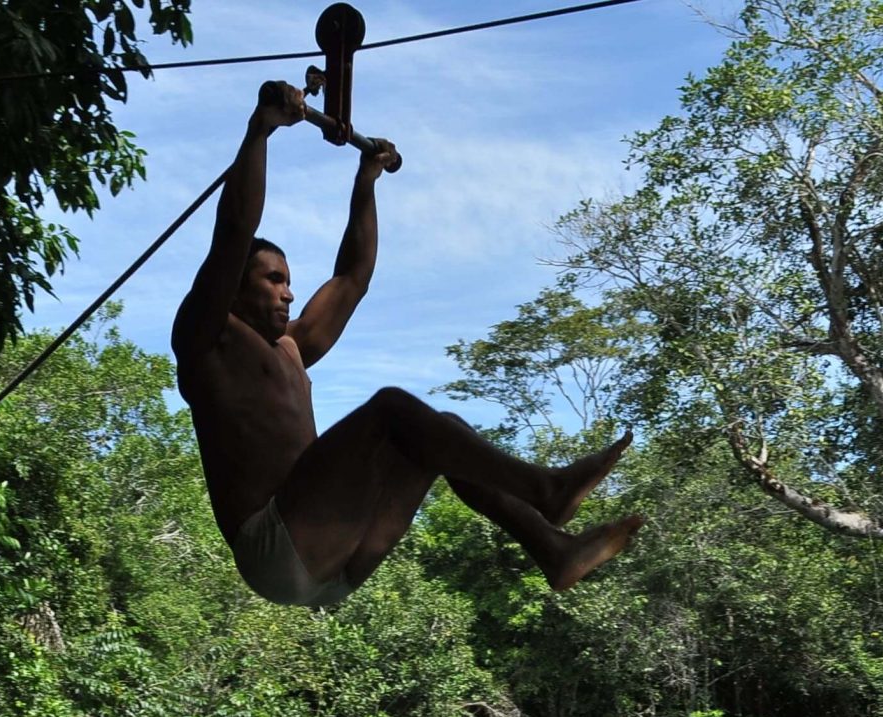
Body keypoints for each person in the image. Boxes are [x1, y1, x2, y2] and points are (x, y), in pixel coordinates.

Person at [171, 81, 644, 610]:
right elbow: (235, 230)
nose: (289, 291)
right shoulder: (204, 336)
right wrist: (260, 131)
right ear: (235, 286)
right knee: (391, 410)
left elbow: (352, 278)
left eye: (288, 280)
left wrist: (365, 182)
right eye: (274, 280)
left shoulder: (292, 347)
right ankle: (547, 491)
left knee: (441, 434)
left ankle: (553, 549)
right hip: (274, 546)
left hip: (334, 561)